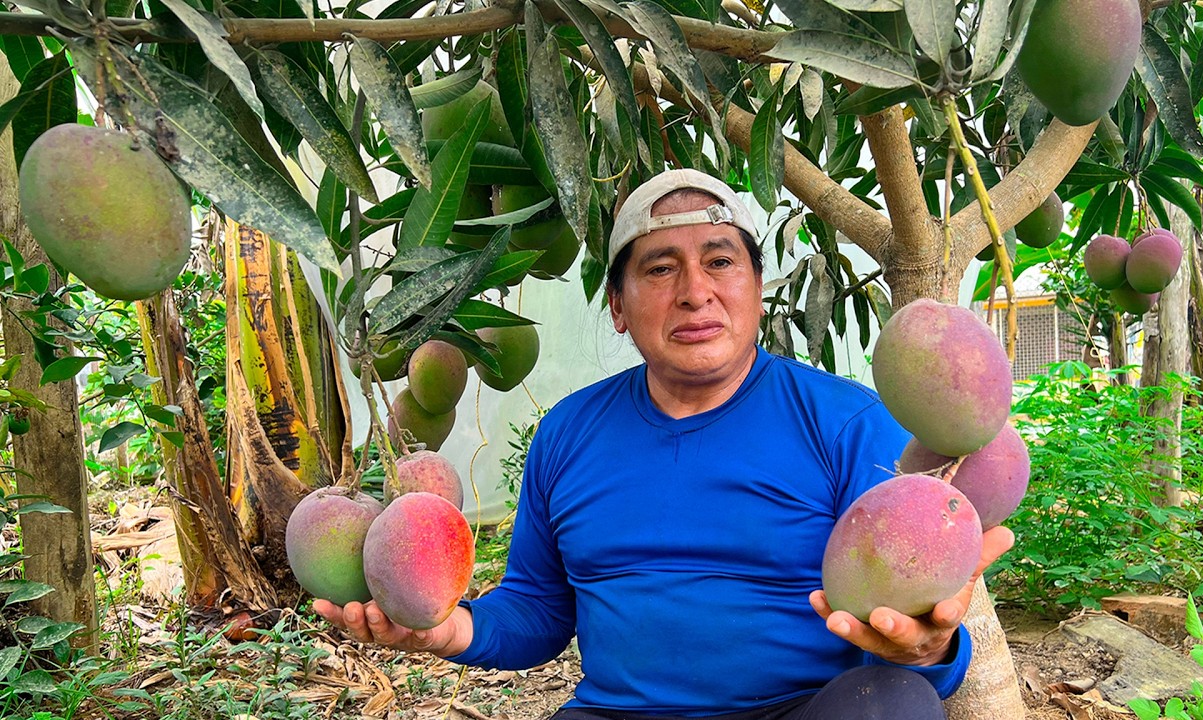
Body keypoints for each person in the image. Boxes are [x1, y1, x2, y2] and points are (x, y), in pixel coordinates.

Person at [316, 169, 1015, 719]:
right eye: (658, 268)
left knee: (896, 704)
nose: (694, 292)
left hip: (797, 712)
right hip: (620, 715)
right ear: (617, 306)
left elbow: (913, 606)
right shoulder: (568, 432)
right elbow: (536, 608)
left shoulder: (845, 422)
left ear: (759, 291)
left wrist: (934, 649)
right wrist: (451, 632)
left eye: (720, 261)